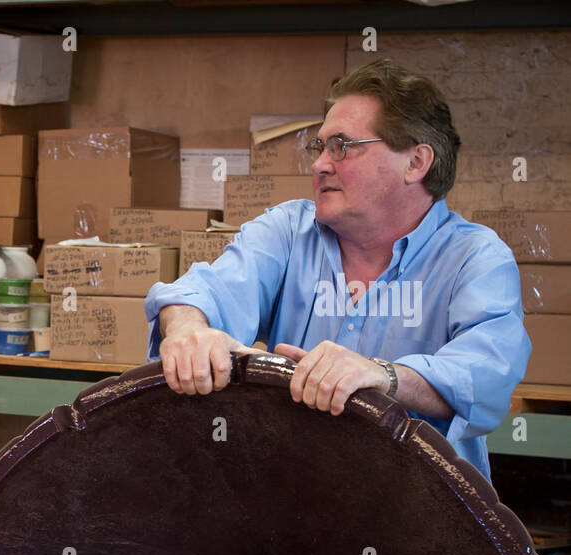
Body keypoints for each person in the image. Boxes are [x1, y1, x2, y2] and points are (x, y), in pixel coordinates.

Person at [144, 59, 528, 481]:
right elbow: (200, 292)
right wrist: (186, 329)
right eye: (321, 147)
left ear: (416, 162)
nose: (320, 164)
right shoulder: (288, 231)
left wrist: (382, 376)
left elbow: (486, 377)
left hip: (420, 520)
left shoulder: (475, 257)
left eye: (342, 146)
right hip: (293, 510)